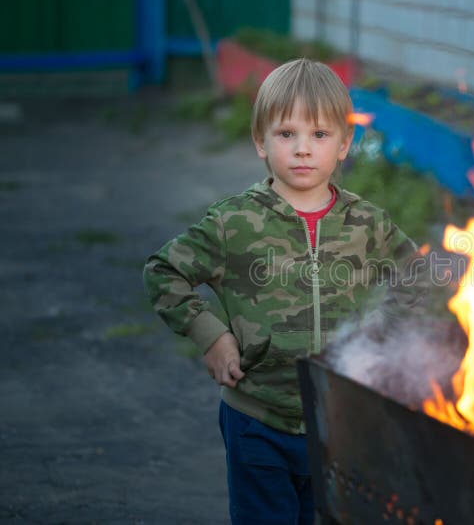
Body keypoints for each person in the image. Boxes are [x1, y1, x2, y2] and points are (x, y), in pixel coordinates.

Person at [143, 58, 418, 524]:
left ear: (345, 144)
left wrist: (381, 335)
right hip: (258, 420)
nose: (303, 150)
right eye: (287, 134)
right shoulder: (233, 222)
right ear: (260, 142)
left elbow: (418, 276)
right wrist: (211, 335)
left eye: (319, 135)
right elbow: (163, 271)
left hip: (341, 424)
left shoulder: (366, 224)